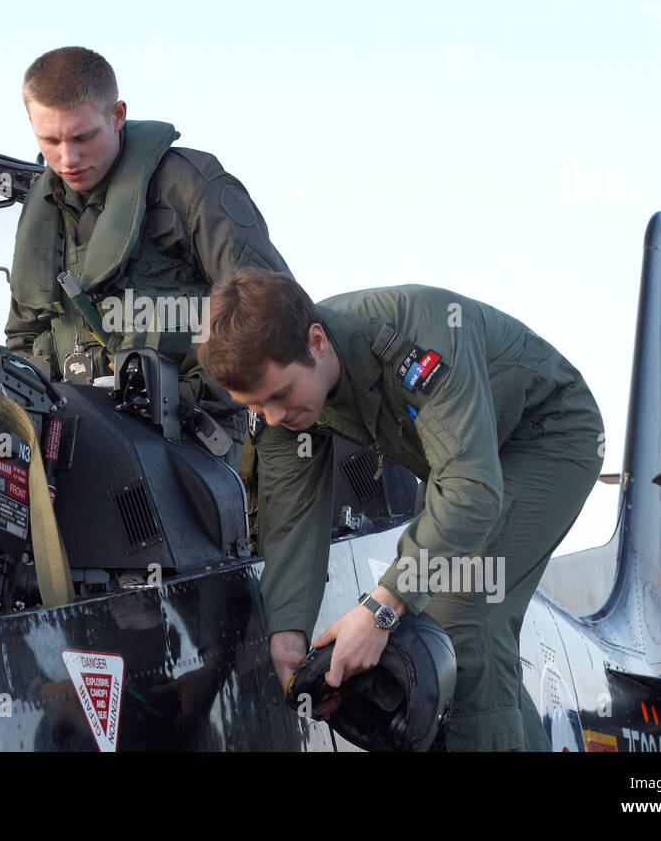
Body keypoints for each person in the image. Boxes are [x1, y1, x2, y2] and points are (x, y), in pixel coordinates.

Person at [197, 269, 604, 751]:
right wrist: (288, 636)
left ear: (317, 342)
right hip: (459, 465)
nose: (275, 418)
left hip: (545, 434)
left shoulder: (416, 339)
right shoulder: (285, 401)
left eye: (282, 395)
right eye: (258, 407)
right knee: (449, 627)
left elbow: (471, 490)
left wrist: (380, 610)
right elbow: (291, 521)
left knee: (462, 606)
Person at [5, 47, 290, 421]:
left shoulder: (188, 187)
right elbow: (23, 338)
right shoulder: (41, 212)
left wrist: (186, 398)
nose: (68, 159)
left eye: (82, 137)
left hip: (190, 429)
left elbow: (269, 313)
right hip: (72, 425)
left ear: (117, 115)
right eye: (51, 142)